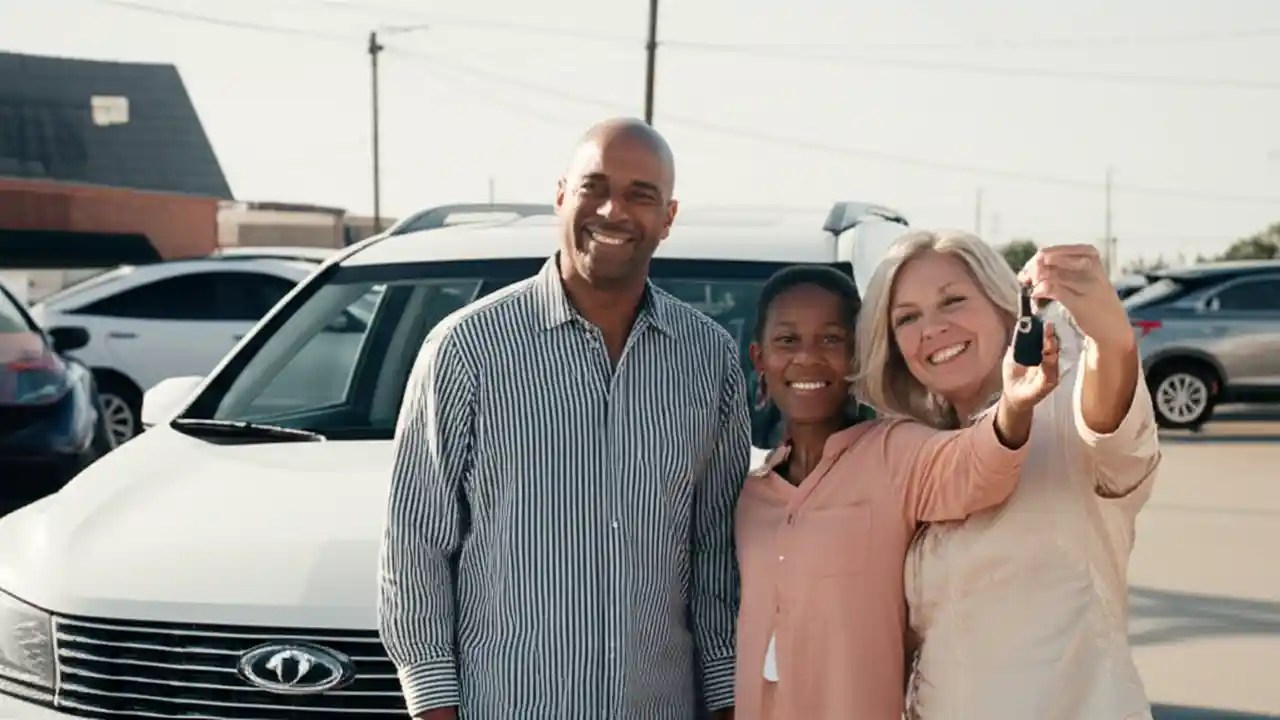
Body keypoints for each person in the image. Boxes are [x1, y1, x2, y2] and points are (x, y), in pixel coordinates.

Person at [376, 117, 749, 720]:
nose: (612, 210)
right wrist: (433, 704)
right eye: (593, 187)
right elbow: (414, 545)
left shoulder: (707, 358)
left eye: (640, 194)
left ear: (669, 217)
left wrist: (725, 695)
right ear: (560, 196)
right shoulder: (468, 349)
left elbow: (715, 551)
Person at [855, 231, 1161, 719]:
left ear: (1004, 306)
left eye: (952, 301)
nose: (932, 328)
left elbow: (1111, 430)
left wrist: (1108, 334)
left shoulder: (1059, 407)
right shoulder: (912, 454)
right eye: (907, 318)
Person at [732, 264, 1061, 720]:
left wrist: (1016, 406)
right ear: (759, 358)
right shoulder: (750, 493)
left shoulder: (894, 451)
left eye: (831, 339)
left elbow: (979, 467)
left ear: (858, 355)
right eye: (787, 341)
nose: (807, 357)